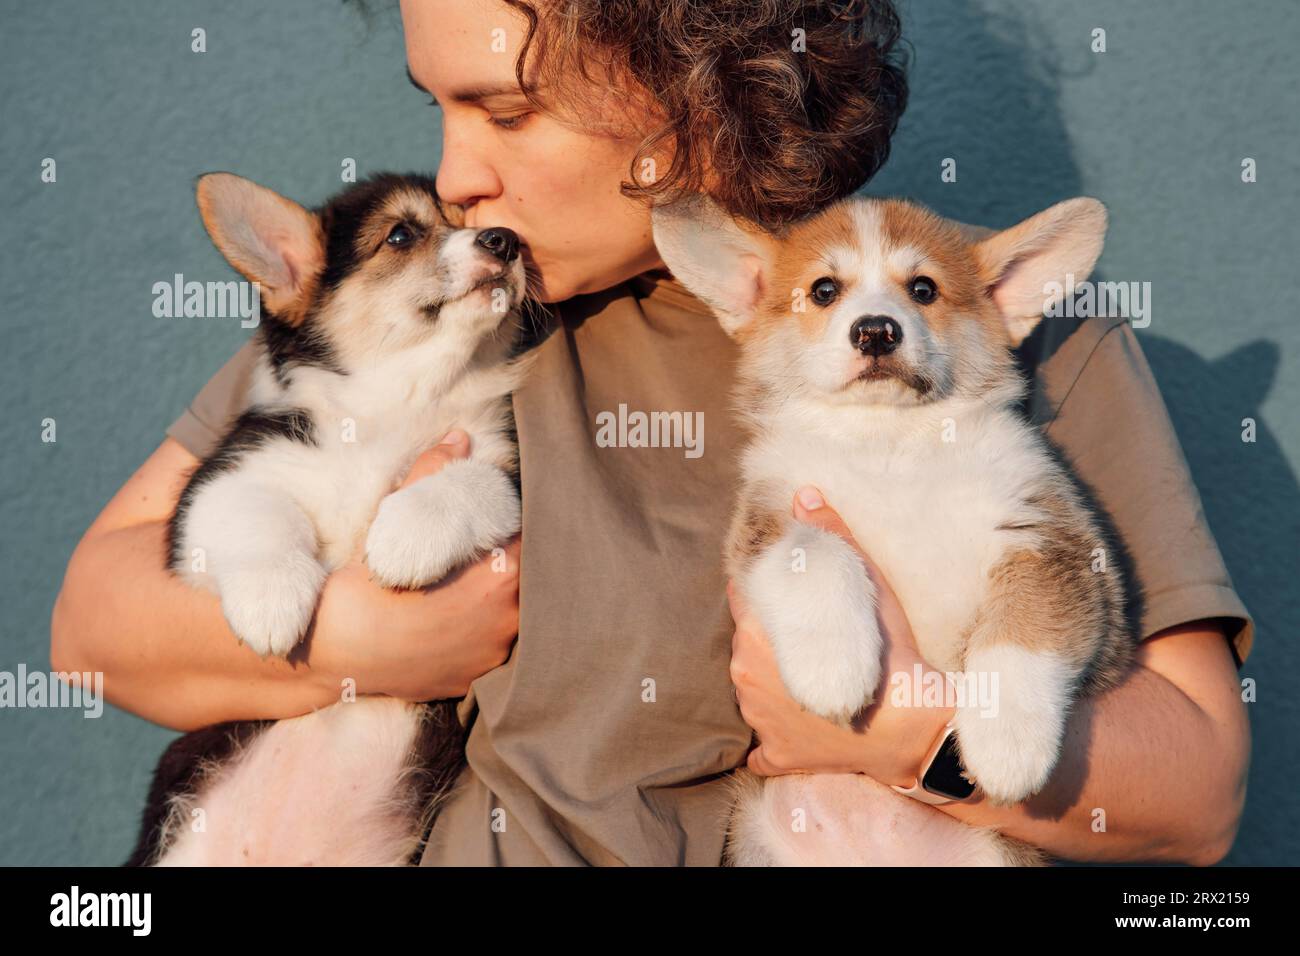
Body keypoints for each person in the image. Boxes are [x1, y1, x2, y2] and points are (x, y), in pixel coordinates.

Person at [51, 0, 1252, 866]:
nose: (455, 172)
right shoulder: (446, 310)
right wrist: (366, 639)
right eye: (439, 106)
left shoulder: (986, 331)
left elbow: (1195, 794)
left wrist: (908, 728)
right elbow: (91, 627)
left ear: (685, 81)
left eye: (507, 111)